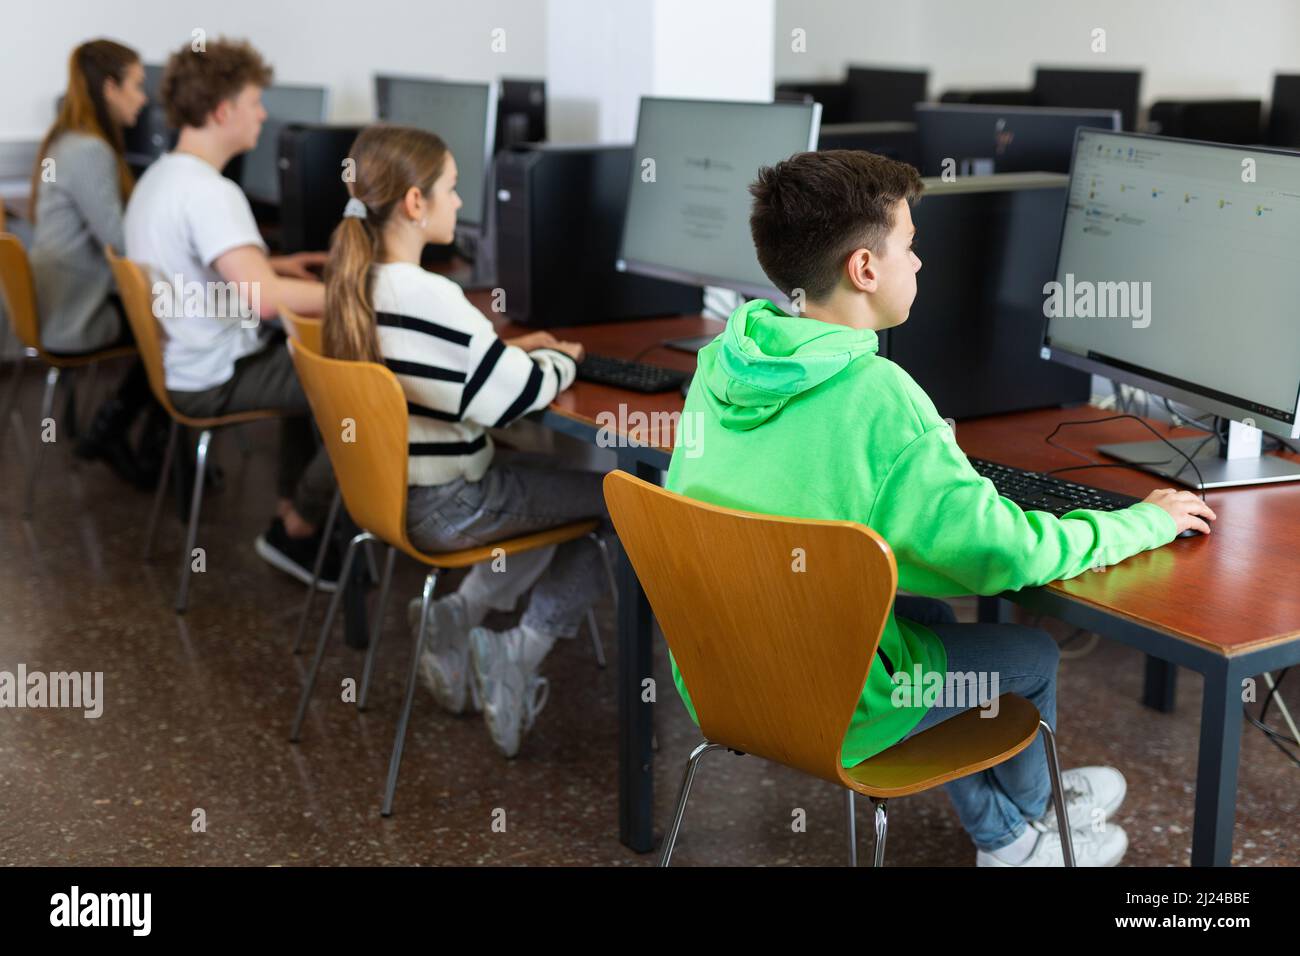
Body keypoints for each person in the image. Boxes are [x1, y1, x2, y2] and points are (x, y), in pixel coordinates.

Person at [664, 149, 1216, 866]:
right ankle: (1028, 824)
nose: (919, 262)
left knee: (926, 618)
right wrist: (1146, 521)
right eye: (910, 245)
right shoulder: (877, 395)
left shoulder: (723, 361)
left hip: (722, 680)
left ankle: (1011, 825)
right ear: (865, 268)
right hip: (835, 706)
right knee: (1032, 655)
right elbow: (1004, 556)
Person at [321, 124, 612, 758]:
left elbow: (454, 369)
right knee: (629, 502)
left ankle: (457, 615)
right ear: (414, 203)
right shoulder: (424, 293)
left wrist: (500, 352)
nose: (459, 202)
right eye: (451, 189)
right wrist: (561, 360)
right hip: (449, 505)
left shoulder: (357, 281)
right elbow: (512, 398)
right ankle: (518, 650)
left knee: (550, 486)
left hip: (392, 501)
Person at [123, 38, 338, 586]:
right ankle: (300, 526)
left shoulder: (161, 177)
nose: (263, 115)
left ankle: (292, 506)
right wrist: (362, 293)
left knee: (302, 351)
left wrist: (273, 264)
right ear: (223, 111)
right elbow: (261, 299)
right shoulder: (210, 193)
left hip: (180, 367)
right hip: (211, 377)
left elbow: (199, 271)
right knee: (354, 377)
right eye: (254, 103)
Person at [28, 39, 160, 487]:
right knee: (170, 333)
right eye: (137, 85)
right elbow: (120, 242)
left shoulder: (66, 139)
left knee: (166, 320)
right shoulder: (90, 150)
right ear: (109, 87)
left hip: (58, 300)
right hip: (75, 312)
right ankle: (117, 432)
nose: (144, 98)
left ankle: (124, 433)